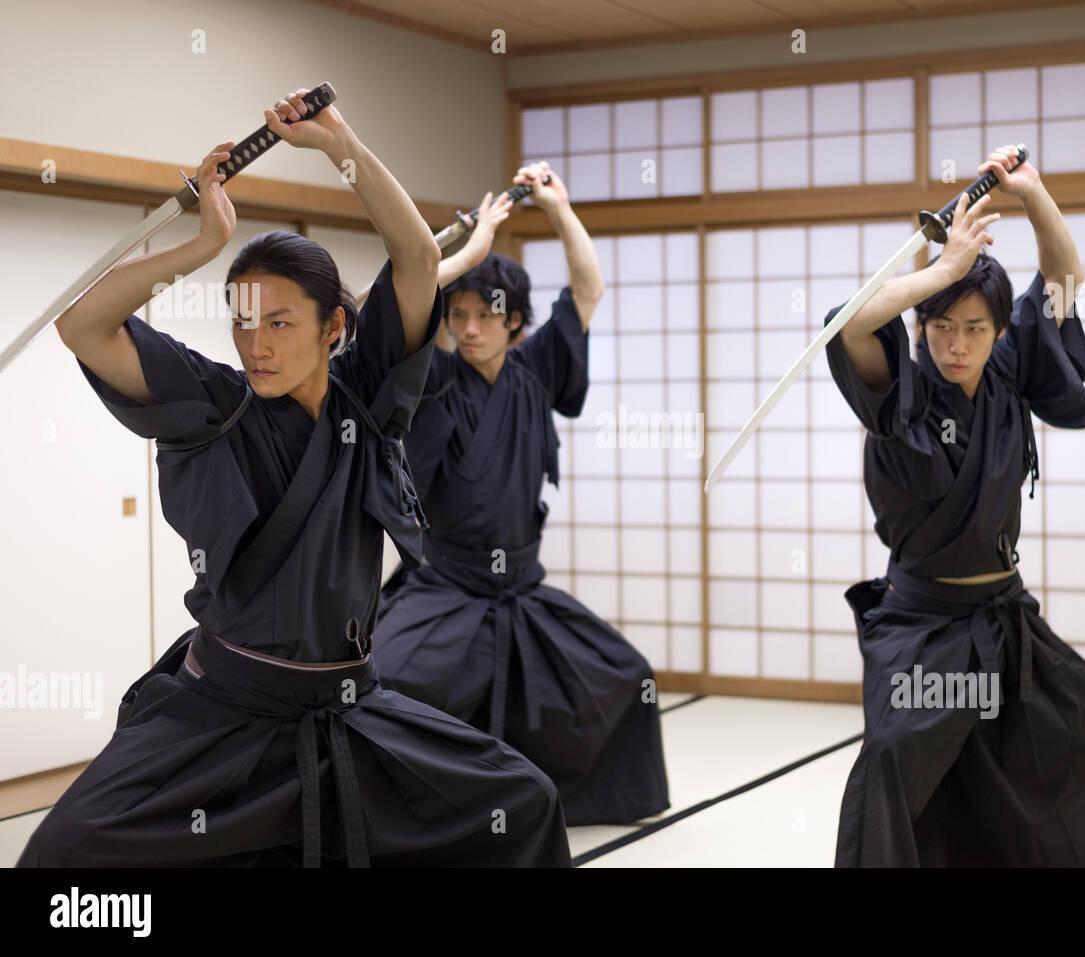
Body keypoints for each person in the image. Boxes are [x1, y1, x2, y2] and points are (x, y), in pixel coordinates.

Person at [18, 91, 571, 867]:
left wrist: (336, 141)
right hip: (222, 709)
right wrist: (203, 241)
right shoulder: (212, 401)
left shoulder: (372, 394)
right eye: (242, 322)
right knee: (65, 854)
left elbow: (414, 257)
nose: (257, 345)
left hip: (350, 703)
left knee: (523, 802)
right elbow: (83, 326)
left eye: (279, 323)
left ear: (333, 327)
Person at [825, 146, 1085, 866]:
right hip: (924, 626)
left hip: (1004, 616)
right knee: (895, 759)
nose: (956, 346)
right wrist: (939, 271)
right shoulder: (900, 393)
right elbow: (849, 325)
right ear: (920, 327)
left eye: (974, 329)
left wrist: (1033, 195)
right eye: (940, 327)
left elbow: (1064, 280)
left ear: (1000, 332)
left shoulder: (1008, 367)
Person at [373, 161, 670, 827]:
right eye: (460, 315)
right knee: (385, 689)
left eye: (487, 316)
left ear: (517, 324)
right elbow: (396, 303)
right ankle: (412, 820)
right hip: (443, 583)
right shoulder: (431, 376)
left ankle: (549, 804)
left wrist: (560, 210)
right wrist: (464, 253)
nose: (471, 328)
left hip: (522, 586)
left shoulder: (535, 373)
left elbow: (587, 290)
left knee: (629, 675)